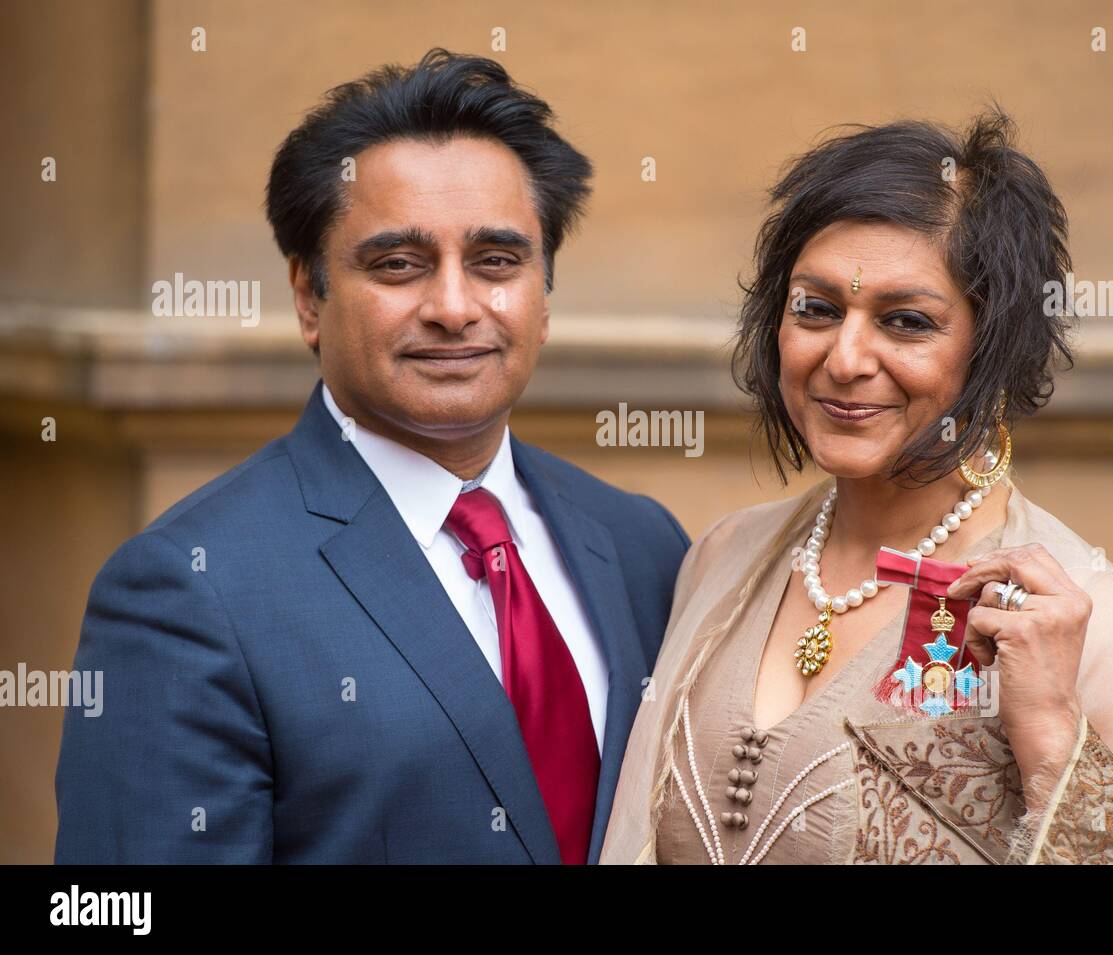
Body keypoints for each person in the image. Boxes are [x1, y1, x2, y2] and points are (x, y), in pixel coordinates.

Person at [54, 49, 689, 864]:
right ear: (308, 296)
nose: (455, 307)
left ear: (544, 292)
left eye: (497, 261)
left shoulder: (642, 546)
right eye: (398, 264)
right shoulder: (188, 591)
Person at [601, 110, 1113, 865]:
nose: (846, 358)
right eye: (816, 309)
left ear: (995, 345)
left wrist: (1052, 737)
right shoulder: (727, 559)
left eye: (907, 321)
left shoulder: (1086, 623)